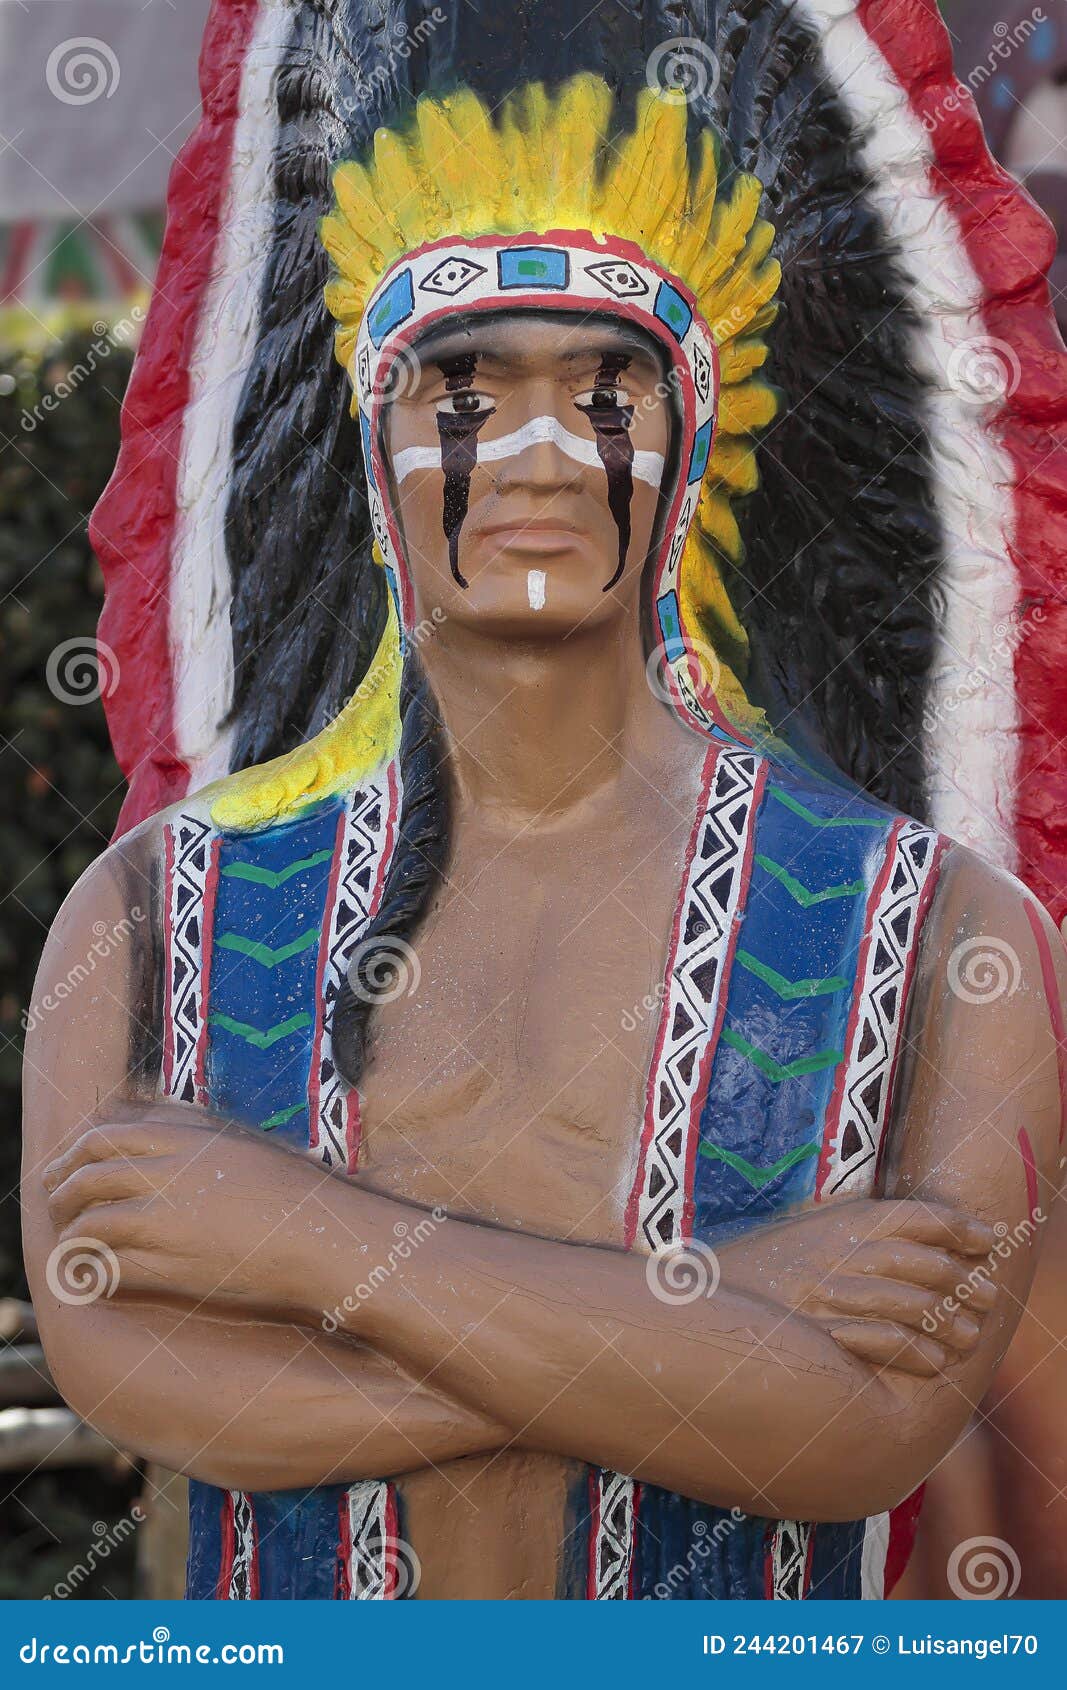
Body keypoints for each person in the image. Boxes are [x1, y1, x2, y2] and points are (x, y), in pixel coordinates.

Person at [22, 79, 1065, 1601]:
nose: (537, 452)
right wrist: (733, 1327)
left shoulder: (943, 933)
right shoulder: (152, 920)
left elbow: (866, 1432)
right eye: (464, 388)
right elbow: (127, 1362)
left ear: (686, 447)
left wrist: (291, 1234)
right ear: (374, 450)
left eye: (604, 390)